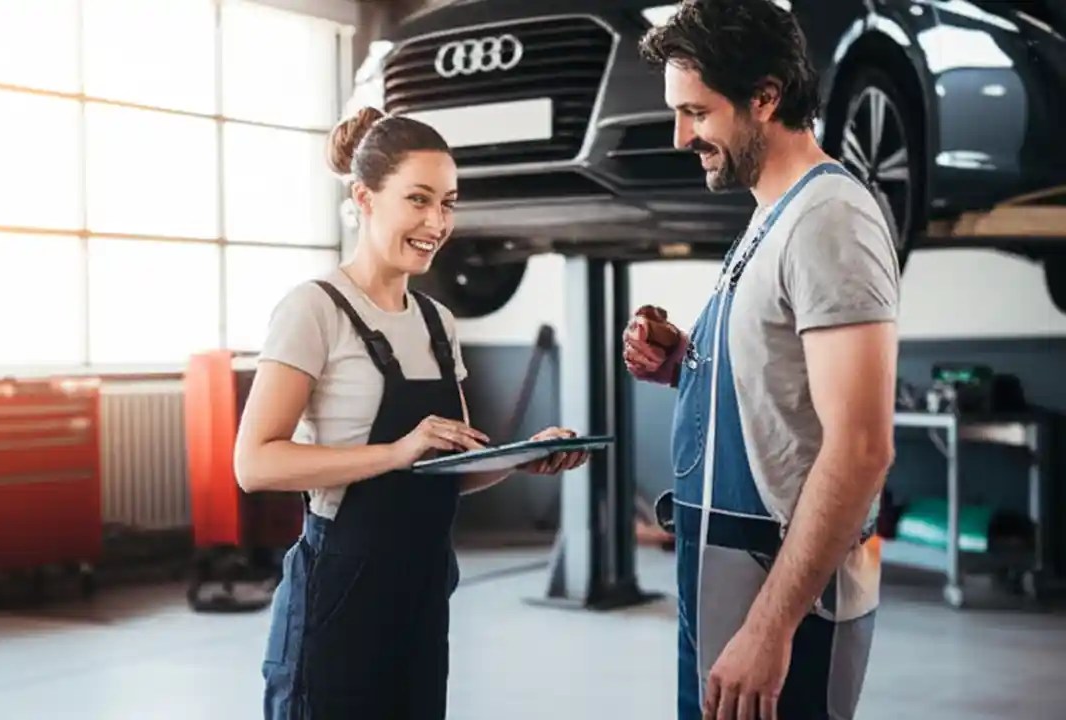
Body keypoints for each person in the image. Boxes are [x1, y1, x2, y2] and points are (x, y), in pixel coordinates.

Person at [235, 105, 590, 719]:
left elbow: (449, 465)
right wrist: (396, 453)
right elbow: (255, 462)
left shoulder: (436, 321)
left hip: (422, 596)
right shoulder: (313, 310)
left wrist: (520, 458)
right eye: (418, 200)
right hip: (336, 600)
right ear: (364, 198)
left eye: (448, 203)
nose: (437, 222)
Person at [625, 2, 900, 719]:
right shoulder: (770, 217)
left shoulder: (829, 220)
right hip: (725, 580)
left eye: (697, 113)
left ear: (766, 97)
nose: (681, 136)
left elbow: (863, 448)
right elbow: (783, 392)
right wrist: (688, 362)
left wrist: (770, 626)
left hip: (784, 598)